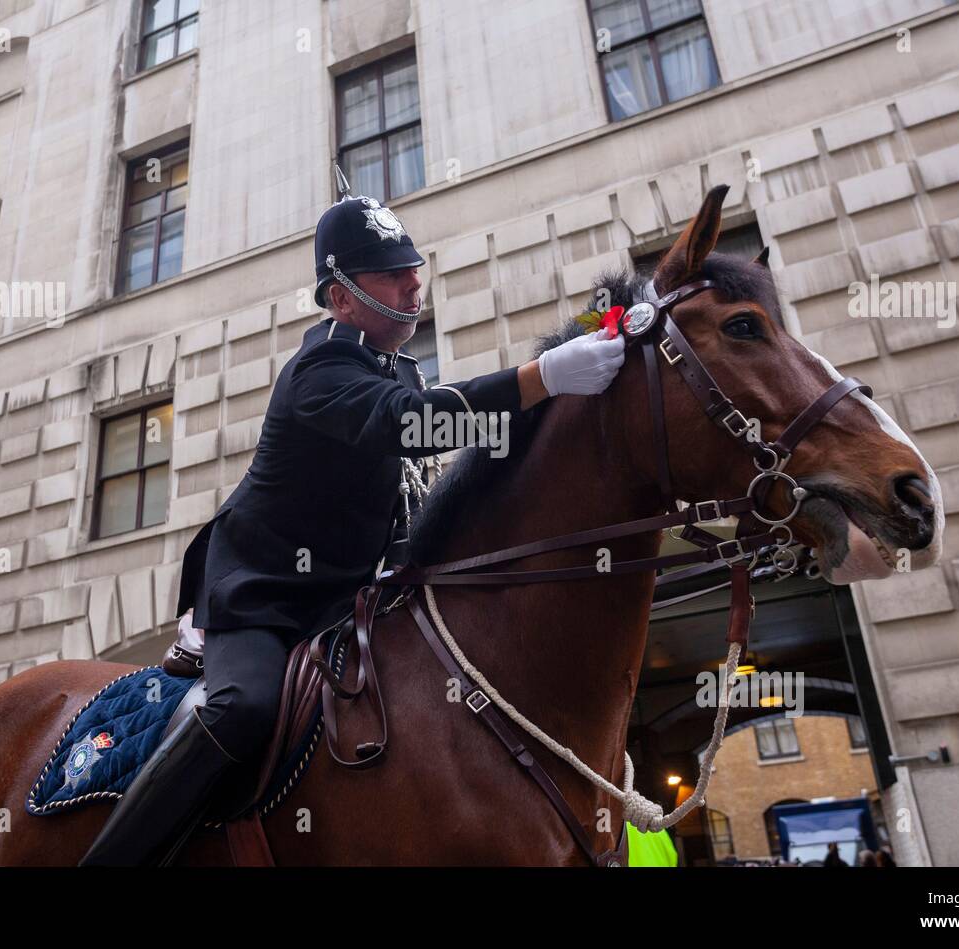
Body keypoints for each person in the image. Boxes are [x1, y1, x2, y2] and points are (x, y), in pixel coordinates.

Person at [80, 186, 627, 865]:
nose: (413, 282)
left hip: (346, 595)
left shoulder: (393, 368)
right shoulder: (321, 369)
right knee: (242, 707)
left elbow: (409, 493)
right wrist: (543, 377)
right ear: (342, 297)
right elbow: (415, 425)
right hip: (265, 594)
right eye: (390, 274)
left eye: (413, 268)